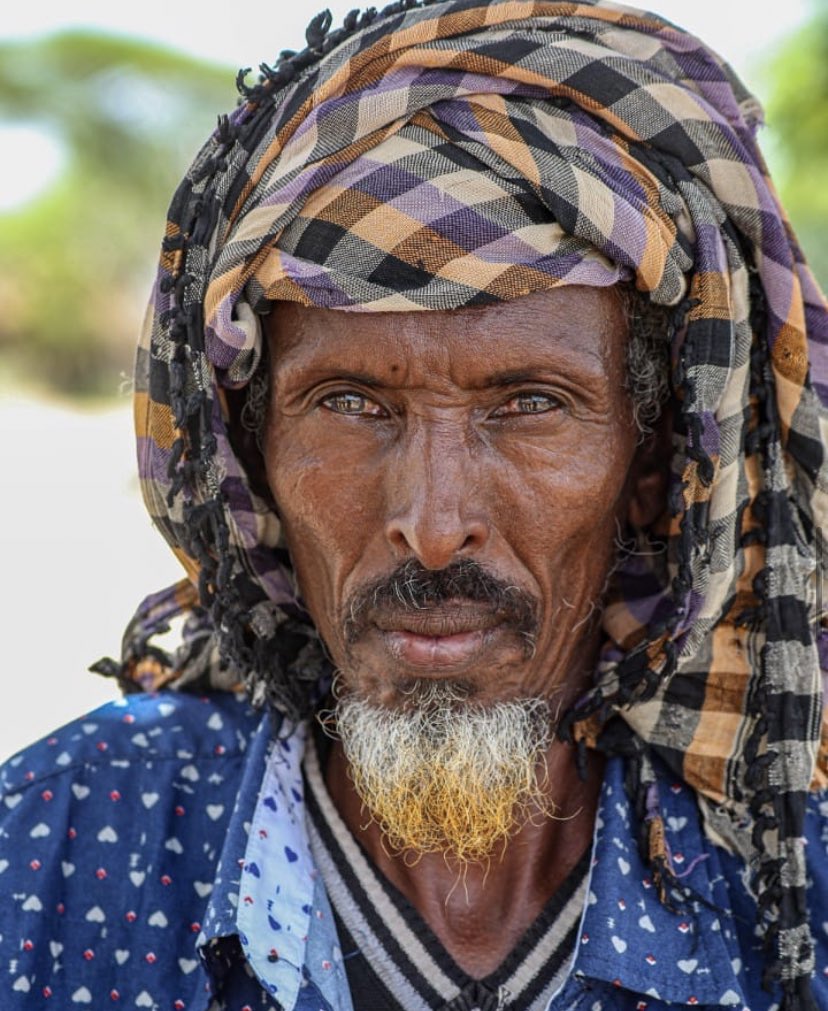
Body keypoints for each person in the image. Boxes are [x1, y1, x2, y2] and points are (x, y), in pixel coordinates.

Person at [2, 1, 826, 1008]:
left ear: (656, 468)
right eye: (349, 405)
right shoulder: (52, 850)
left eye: (531, 405)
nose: (434, 528)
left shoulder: (790, 881)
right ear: (253, 458)